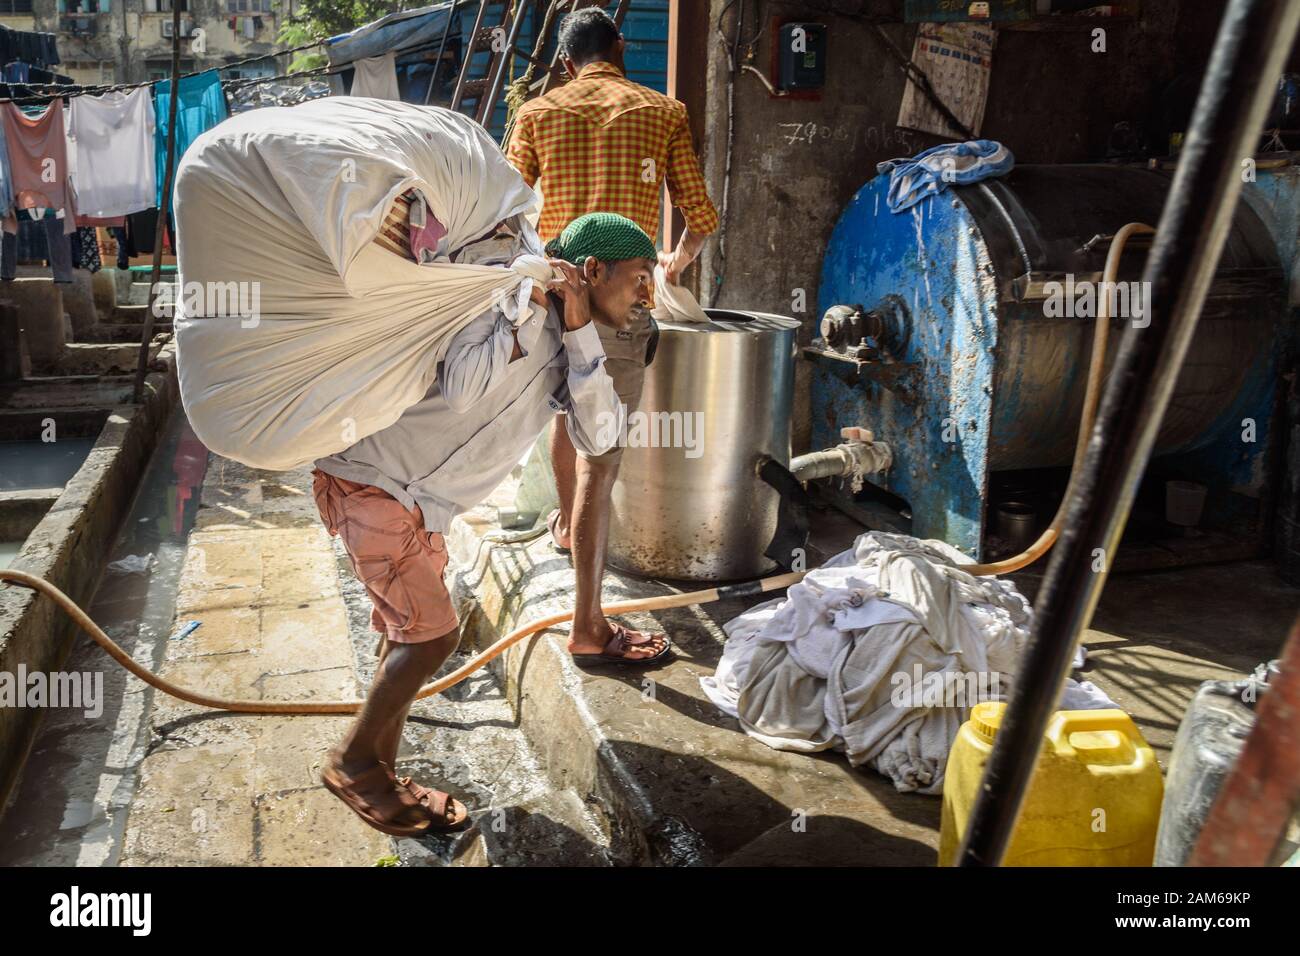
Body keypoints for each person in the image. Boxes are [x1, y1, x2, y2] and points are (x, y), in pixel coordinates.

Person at [314, 212, 661, 837]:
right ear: (592, 271)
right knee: (430, 639)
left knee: (406, 634)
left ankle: (379, 771)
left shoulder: (575, 343)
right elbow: (464, 388)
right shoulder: (514, 304)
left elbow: (600, 434)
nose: (647, 296)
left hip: (419, 503)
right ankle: (354, 762)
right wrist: (524, 306)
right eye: (639, 278)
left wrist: (581, 332)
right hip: (373, 481)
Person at [506, 6, 718, 665]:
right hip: (625, 303)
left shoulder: (538, 113)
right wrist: (672, 265)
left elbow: (504, 210)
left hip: (555, 298)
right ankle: (589, 626)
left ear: (566, 63)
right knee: (605, 451)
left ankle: (568, 527)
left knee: (568, 416)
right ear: (621, 49)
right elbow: (701, 216)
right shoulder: (663, 111)